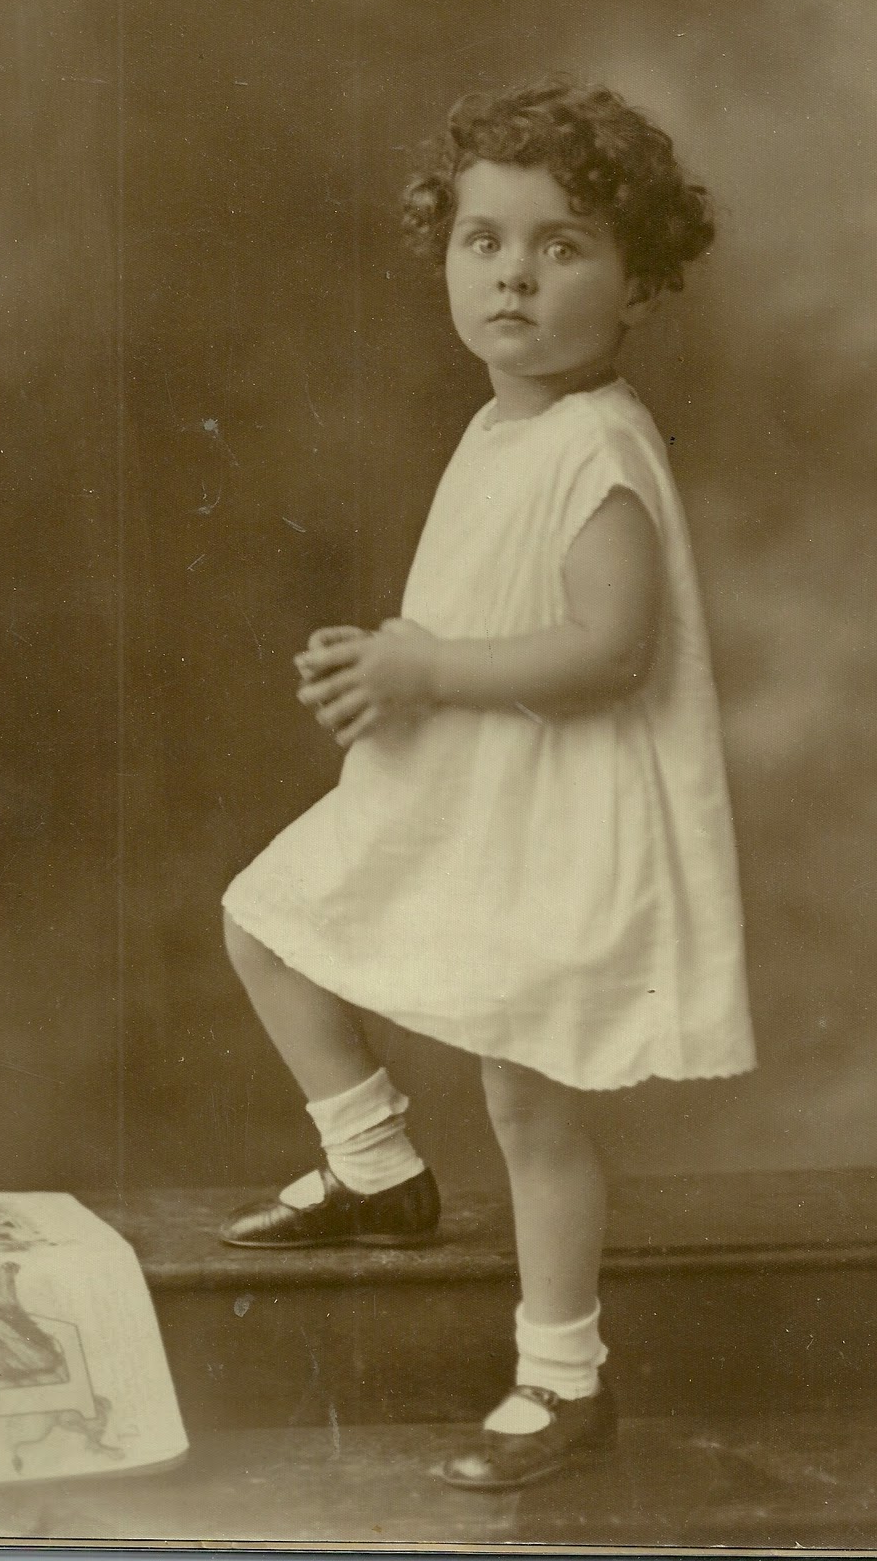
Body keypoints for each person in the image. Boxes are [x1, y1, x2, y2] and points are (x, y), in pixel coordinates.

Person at [220, 79, 755, 1489]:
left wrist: (426, 669)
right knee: (266, 920)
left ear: (639, 285)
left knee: (527, 1102)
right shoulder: (503, 427)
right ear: (447, 258)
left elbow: (610, 650)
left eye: (562, 245)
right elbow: (485, 606)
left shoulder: (596, 444)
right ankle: (376, 1167)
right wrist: (388, 671)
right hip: (471, 787)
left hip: (557, 815)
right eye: (484, 240)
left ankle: (564, 1378)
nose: (513, 273)